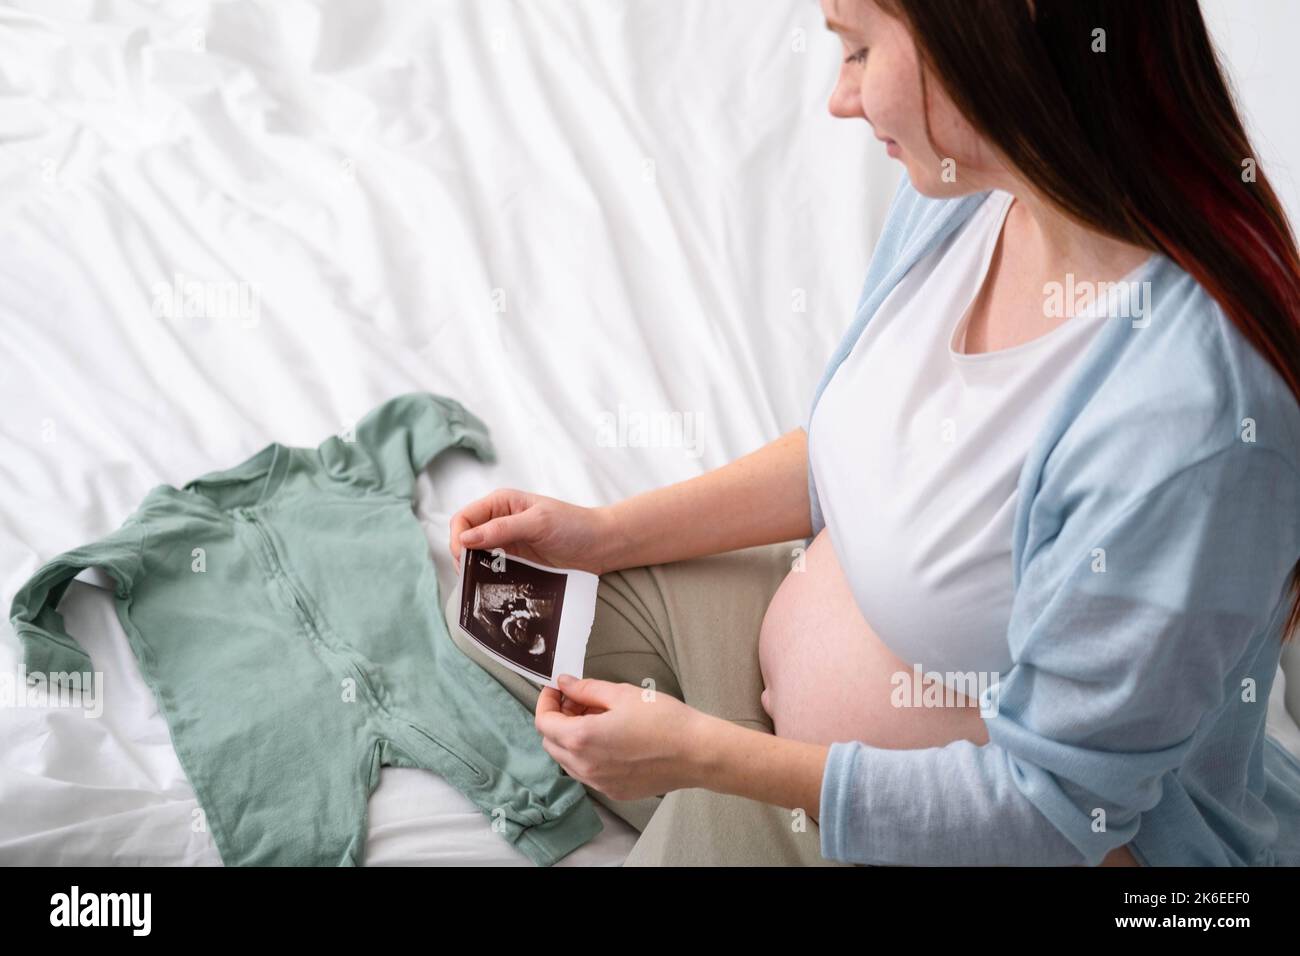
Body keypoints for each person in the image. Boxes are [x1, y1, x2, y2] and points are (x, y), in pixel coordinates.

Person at [445, 0, 1300, 866]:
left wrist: (707, 758)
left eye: (857, 51)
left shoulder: (1185, 422)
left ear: (995, 50)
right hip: (785, 713)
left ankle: (704, 806)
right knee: (503, 601)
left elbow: (1055, 814)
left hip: (984, 839)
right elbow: (848, 445)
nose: (840, 99)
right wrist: (605, 534)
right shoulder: (974, 190)